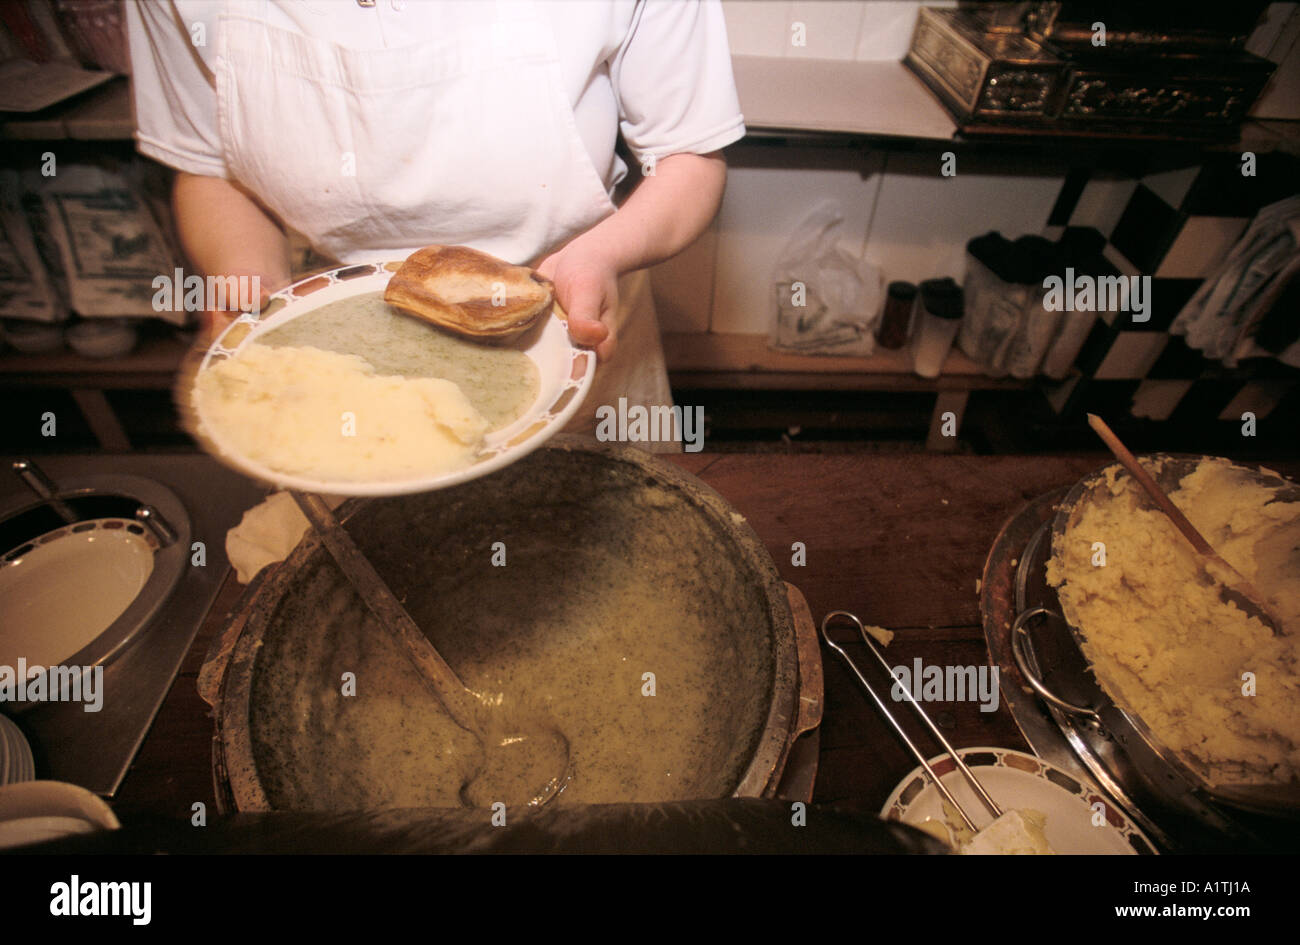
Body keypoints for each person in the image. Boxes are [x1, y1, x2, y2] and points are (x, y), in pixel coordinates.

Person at [125, 0, 746, 446]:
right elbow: (209, 164)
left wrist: (599, 257)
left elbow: (689, 156)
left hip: (572, 311)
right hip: (341, 348)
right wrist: (247, 282)